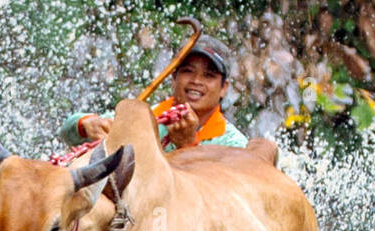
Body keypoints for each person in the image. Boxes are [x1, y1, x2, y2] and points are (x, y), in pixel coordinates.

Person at [58, 34, 249, 151]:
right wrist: (85, 124)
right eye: (188, 71)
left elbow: (218, 200)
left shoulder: (235, 144)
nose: (196, 81)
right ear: (173, 78)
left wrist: (188, 146)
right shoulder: (146, 117)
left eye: (208, 75)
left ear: (224, 88)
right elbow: (69, 133)